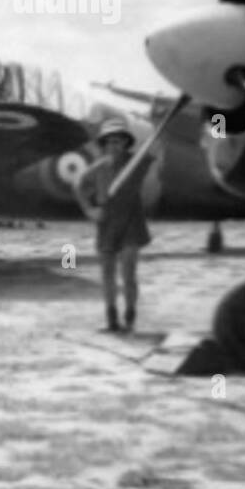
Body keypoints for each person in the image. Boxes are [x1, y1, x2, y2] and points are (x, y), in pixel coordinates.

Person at [73, 118, 158, 333]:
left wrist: (157, 121)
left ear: (126, 143)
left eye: (118, 141)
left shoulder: (136, 163)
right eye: (109, 142)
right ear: (104, 145)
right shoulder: (99, 167)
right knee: (107, 274)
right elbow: (79, 185)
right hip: (107, 223)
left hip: (132, 221)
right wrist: (89, 210)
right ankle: (111, 319)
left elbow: (156, 146)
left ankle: (130, 316)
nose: (113, 146)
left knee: (128, 273)